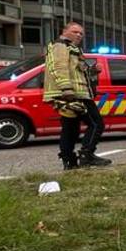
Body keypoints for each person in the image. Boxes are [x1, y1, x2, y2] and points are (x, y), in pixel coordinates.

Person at [43, 22, 110, 170]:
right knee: (96, 124)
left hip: (72, 93)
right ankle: (87, 155)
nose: (79, 35)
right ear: (64, 31)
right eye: (75, 32)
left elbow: (78, 71)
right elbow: (58, 67)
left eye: (81, 33)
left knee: (70, 129)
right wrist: (66, 89)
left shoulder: (73, 49)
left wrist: (93, 70)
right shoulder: (60, 46)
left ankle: (69, 161)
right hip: (74, 94)